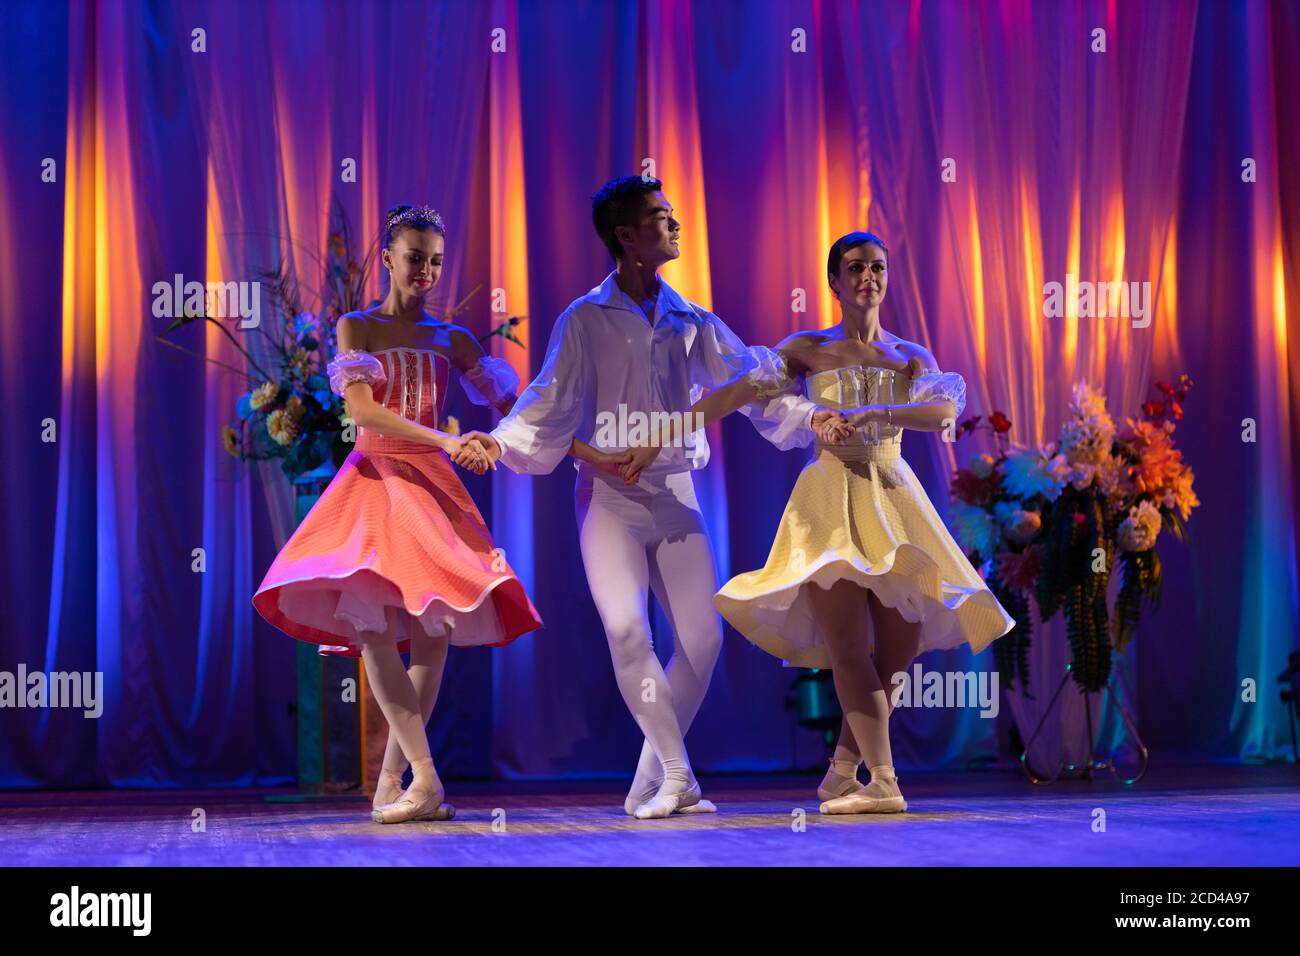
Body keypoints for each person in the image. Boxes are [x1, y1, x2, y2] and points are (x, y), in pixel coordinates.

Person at [458, 177, 844, 818]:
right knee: (627, 630)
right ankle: (676, 773)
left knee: (703, 641)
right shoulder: (585, 318)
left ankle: (656, 778)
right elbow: (547, 403)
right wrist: (497, 445)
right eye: (660, 217)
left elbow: (753, 382)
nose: (675, 224)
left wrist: (811, 417)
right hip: (608, 500)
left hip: (675, 490)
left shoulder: (691, 319)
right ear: (626, 236)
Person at [623, 231, 1015, 814]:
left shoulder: (910, 355)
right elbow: (737, 393)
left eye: (878, 267)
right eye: (855, 268)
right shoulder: (808, 348)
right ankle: (883, 782)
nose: (868, 278)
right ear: (833, 281)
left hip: (894, 497)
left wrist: (878, 410)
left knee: (900, 648)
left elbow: (942, 411)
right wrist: (663, 433)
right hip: (830, 497)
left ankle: (841, 770)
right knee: (850, 647)